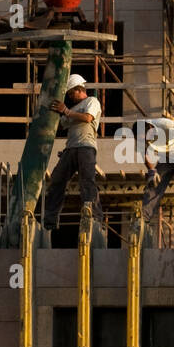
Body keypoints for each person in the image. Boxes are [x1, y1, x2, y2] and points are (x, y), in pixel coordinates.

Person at [43, 73, 103, 230]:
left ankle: (94, 219)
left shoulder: (92, 101)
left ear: (79, 89)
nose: (70, 96)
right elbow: (62, 124)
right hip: (70, 148)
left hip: (86, 147)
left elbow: (88, 118)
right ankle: (50, 221)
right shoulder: (71, 109)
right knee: (57, 180)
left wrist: (66, 111)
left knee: (87, 183)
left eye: (71, 93)